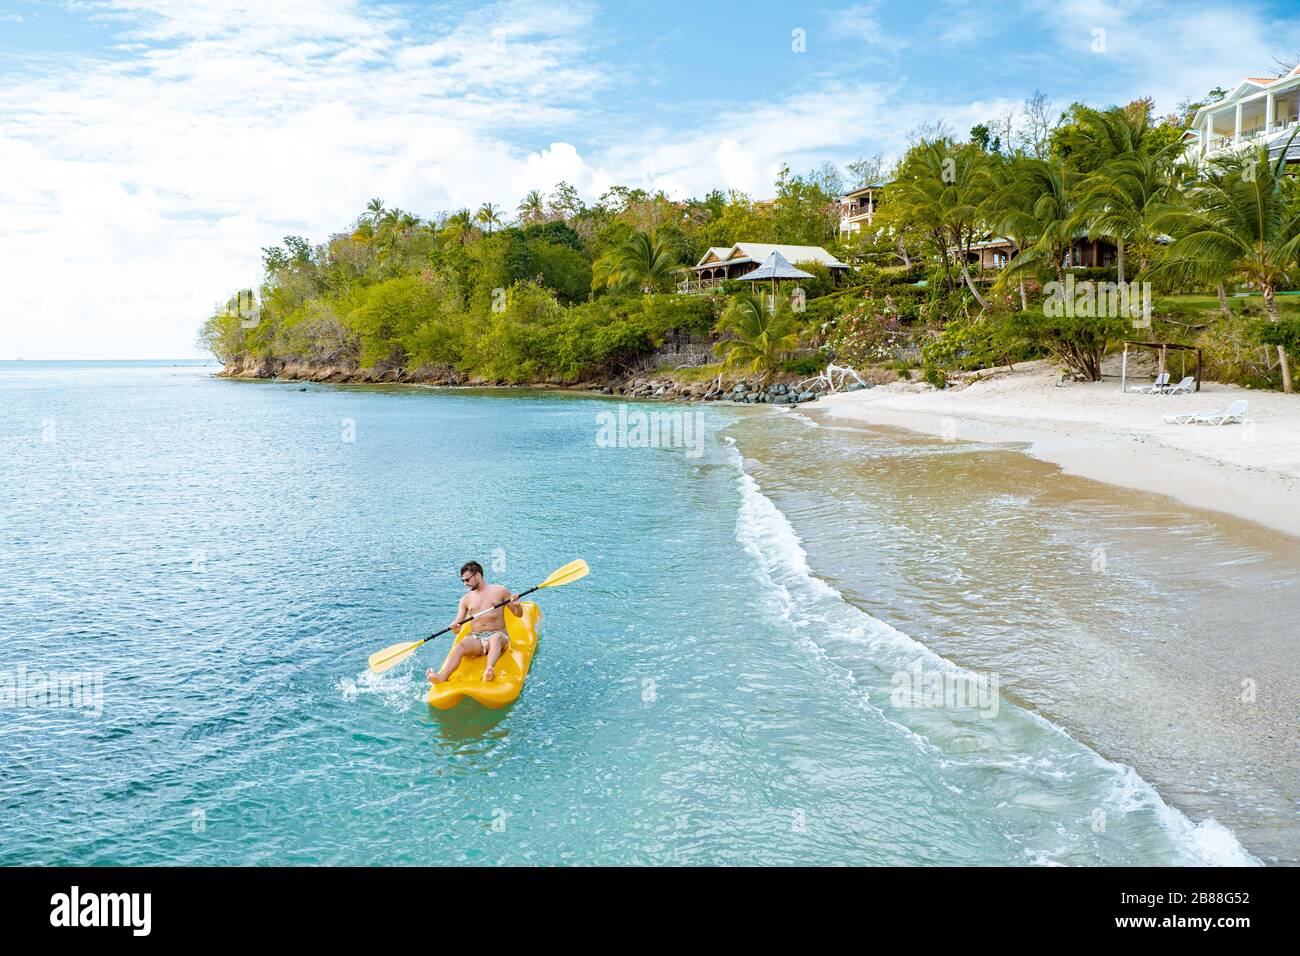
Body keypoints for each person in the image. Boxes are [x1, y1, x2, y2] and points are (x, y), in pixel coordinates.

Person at [427, 561, 521, 684]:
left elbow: (518, 614)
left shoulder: (500, 591)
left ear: (477, 576)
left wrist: (516, 606)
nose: (465, 583)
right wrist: (455, 626)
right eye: (463, 581)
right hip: (477, 638)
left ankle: (489, 670)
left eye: (467, 580)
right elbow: (458, 627)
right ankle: (442, 676)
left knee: (496, 638)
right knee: (461, 645)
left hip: (498, 634)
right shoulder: (465, 599)